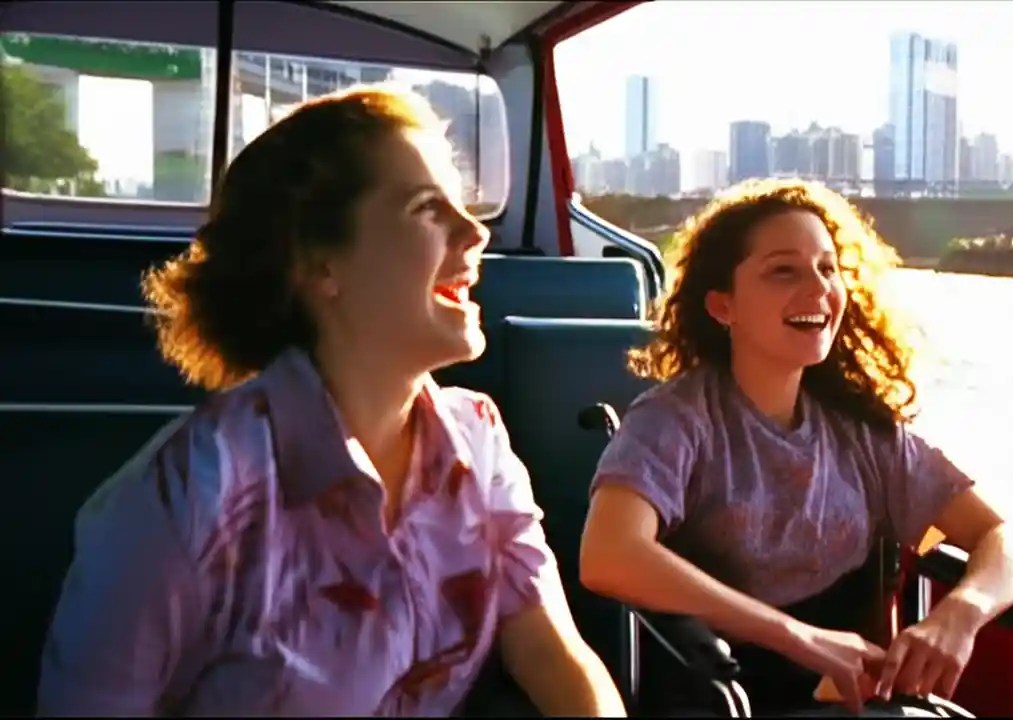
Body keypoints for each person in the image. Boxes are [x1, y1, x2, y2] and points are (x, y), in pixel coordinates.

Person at [38, 85, 626, 718]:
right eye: (428, 208)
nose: (475, 232)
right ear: (320, 266)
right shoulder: (185, 500)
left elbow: (551, 652)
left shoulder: (477, 440)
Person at [579, 179, 1013, 716]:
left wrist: (960, 613)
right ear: (724, 306)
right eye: (783, 271)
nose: (818, 290)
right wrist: (798, 636)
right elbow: (607, 555)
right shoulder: (675, 421)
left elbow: (1004, 538)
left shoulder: (863, 431)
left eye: (827, 268)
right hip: (724, 695)